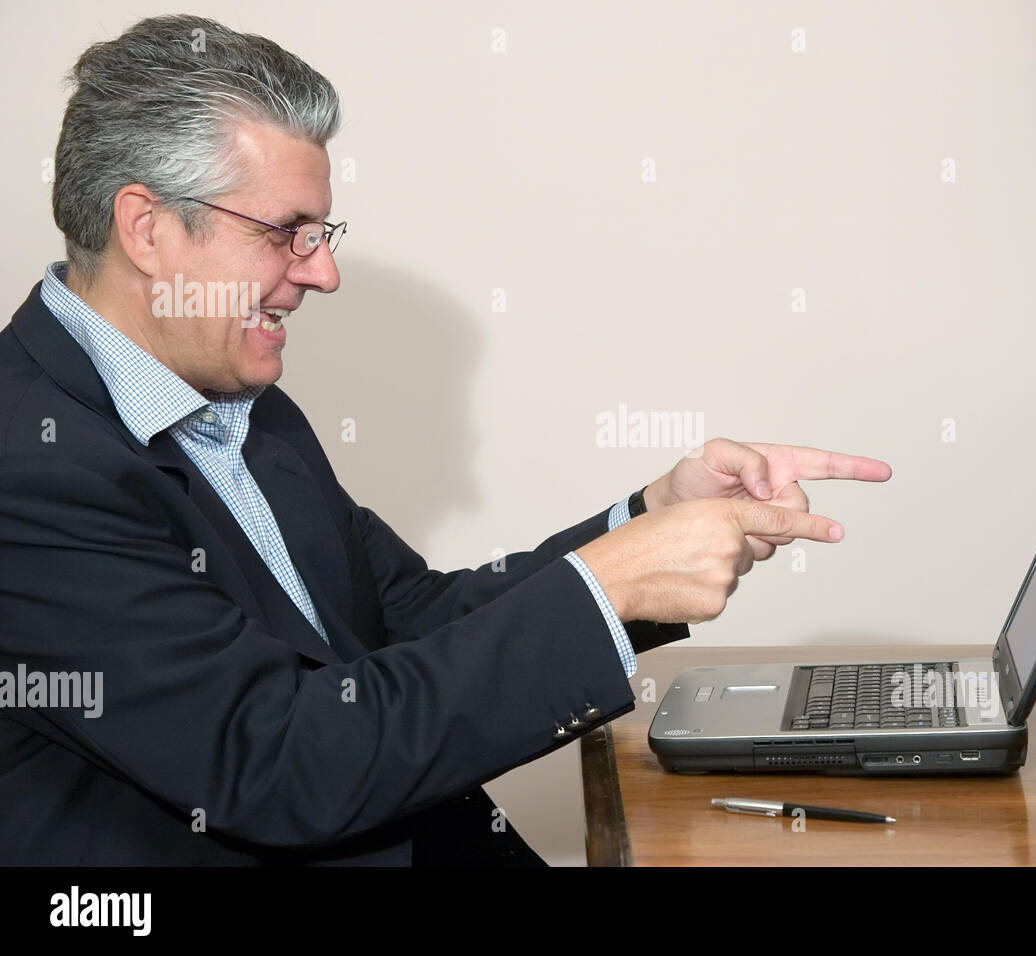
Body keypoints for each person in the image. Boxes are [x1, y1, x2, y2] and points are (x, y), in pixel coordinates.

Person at [0, 15, 891, 865]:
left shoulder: (239, 402)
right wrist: (611, 583)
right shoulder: (29, 470)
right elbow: (282, 764)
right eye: (285, 233)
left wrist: (648, 521)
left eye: (322, 232)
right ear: (147, 229)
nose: (324, 271)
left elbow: (414, 621)